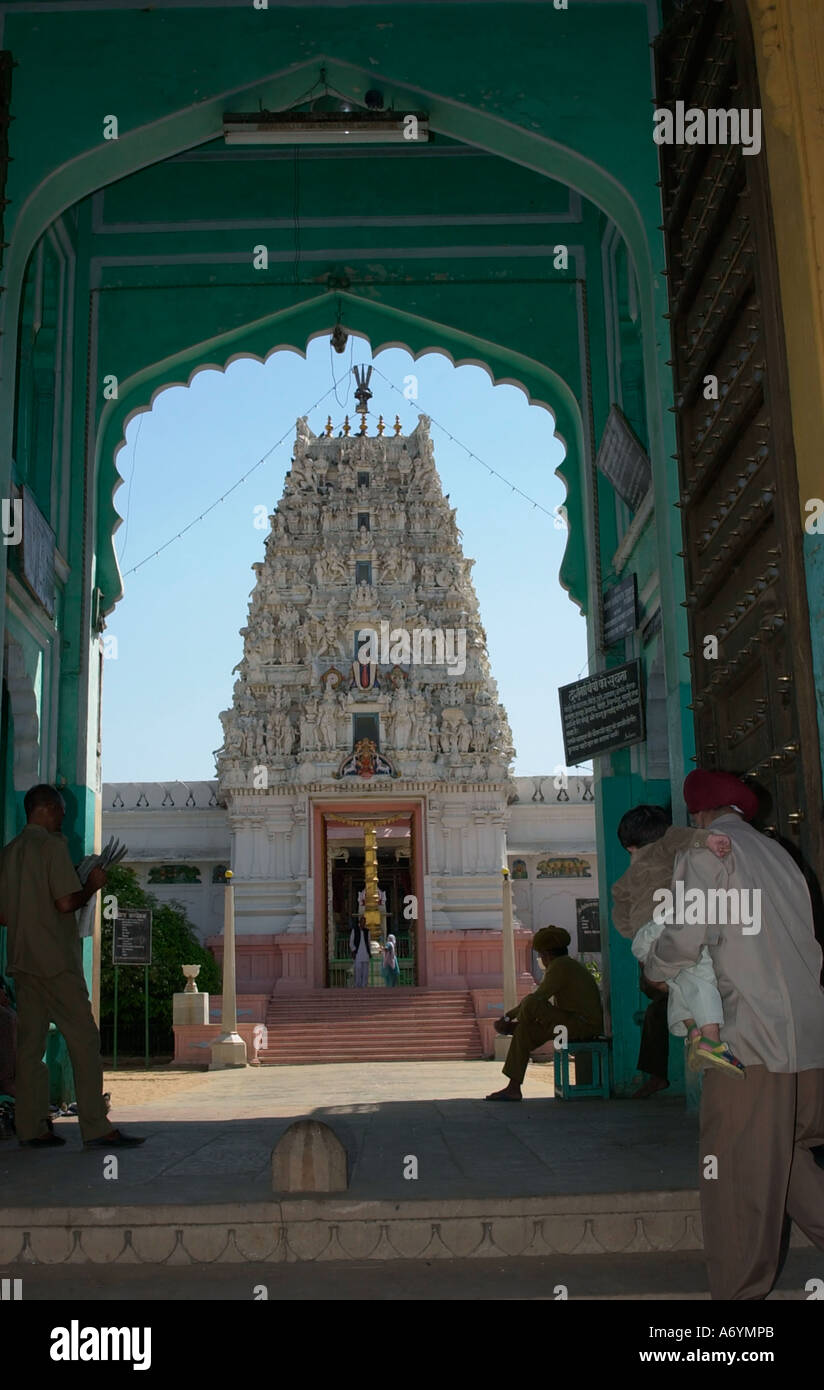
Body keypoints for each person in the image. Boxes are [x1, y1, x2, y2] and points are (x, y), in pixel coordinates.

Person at [645, 769, 824, 1301]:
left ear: (698, 814)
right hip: (808, 1042)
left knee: (733, 1170)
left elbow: (684, 936)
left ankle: (739, 1306)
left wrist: (655, 967)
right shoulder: (779, 854)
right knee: (784, 1157)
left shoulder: (708, 852)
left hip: (743, 1039)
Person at [0, 784, 145, 1150]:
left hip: (21, 959)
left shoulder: (10, 852)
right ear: (47, 809)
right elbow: (66, 903)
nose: (64, 817)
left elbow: (3, 915)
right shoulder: (52, 847)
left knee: (29, 1048)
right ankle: (96, 1126)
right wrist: (91, 886)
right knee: (83, 1039)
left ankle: (31, 1127)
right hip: (55, 962)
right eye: (61, 811)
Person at [612, 804, 744, 1077]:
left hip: (642, 938)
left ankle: (693, 1032)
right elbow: (677, 838)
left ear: (628, 847)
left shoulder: (626, 877)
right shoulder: (662, 847)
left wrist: (636, 935)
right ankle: (711, 1038)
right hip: (663, 922)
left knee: (679, 983)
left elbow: (619, 913)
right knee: (700, 969)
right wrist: (706, 839)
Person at [485, 926, 603, 1101]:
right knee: (524, 1032)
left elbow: (538, 998)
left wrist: (509, 1015)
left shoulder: (561, 965)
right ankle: (513, 1087)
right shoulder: (565, 965)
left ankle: (514, 1025)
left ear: (547, 955)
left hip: (582, 1025)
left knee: (532, 1004)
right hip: (568, 1022)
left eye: (540, 955)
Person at [349, 915, 371, 988]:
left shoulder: (367, 931)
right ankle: (357, 986)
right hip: (358, 953)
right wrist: (354, 950)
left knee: (365, 972)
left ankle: (364, 985)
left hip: (365, 953)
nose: (363, 924)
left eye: (364, 922)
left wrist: (369, 952)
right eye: (362, 922)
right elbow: (351, 942)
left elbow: (368, 942)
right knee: (358, 971)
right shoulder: (354, 930)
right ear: (359, 922)